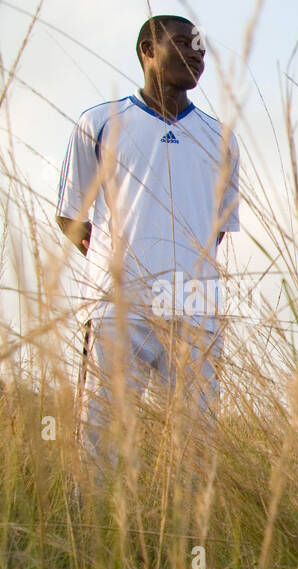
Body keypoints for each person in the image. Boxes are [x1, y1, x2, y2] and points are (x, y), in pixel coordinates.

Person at [56, 14, 239, 466]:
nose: (195, 54)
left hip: (195, 302)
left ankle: (185, 535)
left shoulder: (222, 140)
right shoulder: (99, 123)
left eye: (200, 47)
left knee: (196, 441)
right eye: (181, 43)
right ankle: (100, 534)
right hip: (117, 302)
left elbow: (216, 229)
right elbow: (73, 215)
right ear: (148, 51)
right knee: (102, 435)